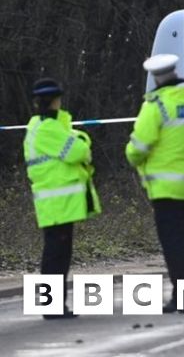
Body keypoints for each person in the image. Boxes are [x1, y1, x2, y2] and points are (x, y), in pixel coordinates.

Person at [125, 54, 184, 313]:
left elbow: (138, 148)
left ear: (156, 77)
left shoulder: (156, 105)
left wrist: (134, 155)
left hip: (165, 188)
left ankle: (183, 299)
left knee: (174, 243)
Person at [23, 78, 101, 319]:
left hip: (54, 201)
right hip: (58, 201)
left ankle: (53, 305)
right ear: (55, 100)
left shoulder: (38, 126)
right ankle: (51, 307)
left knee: (55, 254)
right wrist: (82, 142)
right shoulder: (49, 128)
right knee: (56, 256)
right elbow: (79, 151)